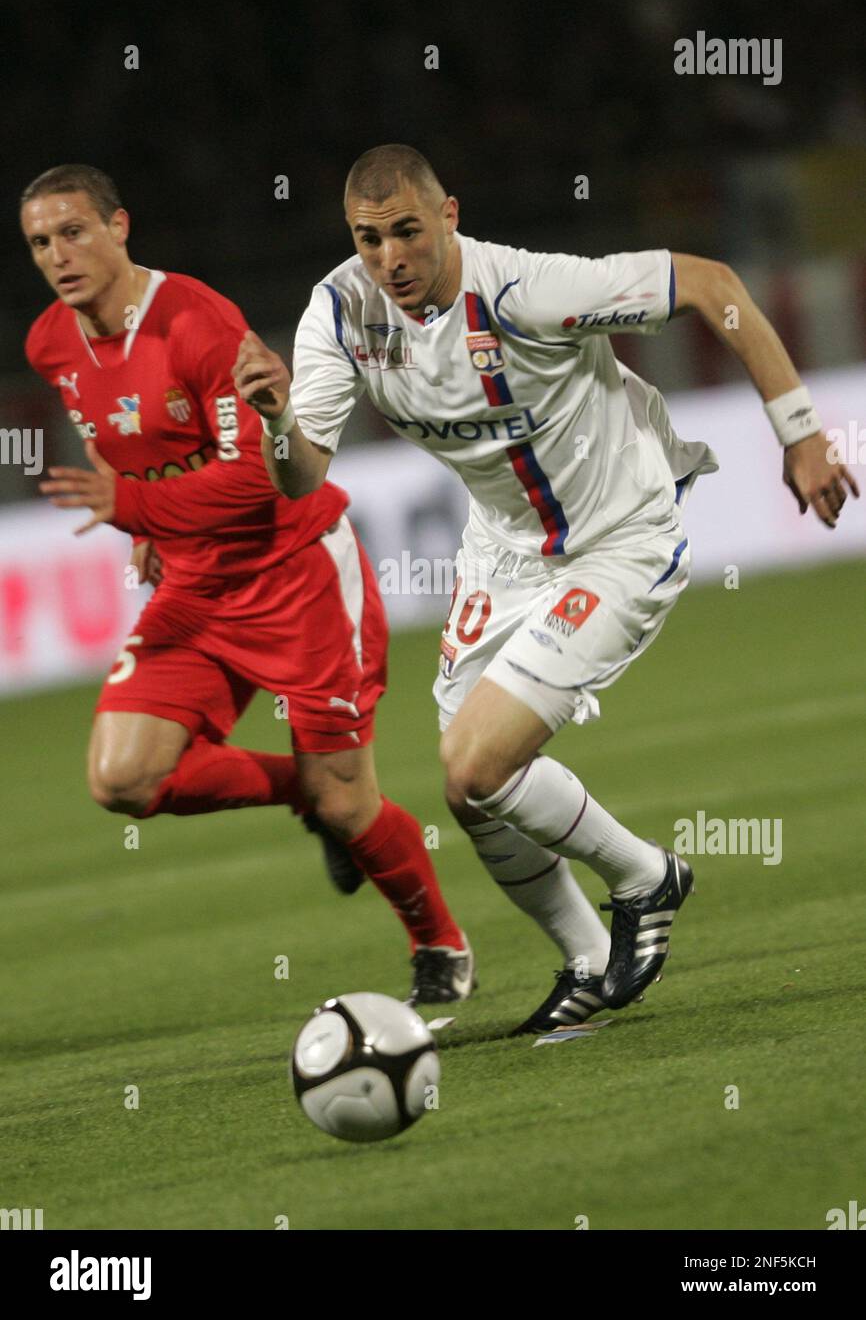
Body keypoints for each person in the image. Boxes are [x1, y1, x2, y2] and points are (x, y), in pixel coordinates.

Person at [233, 144, 860, 1035]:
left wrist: (800, 431)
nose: (390, 259)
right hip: (504, 555)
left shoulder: (529, 292)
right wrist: (276, 419)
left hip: (618, 540)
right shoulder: (339, 313)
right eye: (370, 240)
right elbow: (301, 479)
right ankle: (588, 961)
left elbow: (712, 281)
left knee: (476, 763)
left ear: (449, 215)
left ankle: (648, 877)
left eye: (408, 231)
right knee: (470, 790)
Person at [23, 162, 474, 1004]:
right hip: (195, 590)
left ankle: (440, 945)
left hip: (295, 577)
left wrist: (137, 503)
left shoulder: (196, 322)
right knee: (123, 781)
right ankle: (306, 794)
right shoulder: (50, 342)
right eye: (41, 242)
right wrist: (147, 522)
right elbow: (111, 436)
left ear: (120, 228)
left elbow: (259, 477)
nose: (58, 254)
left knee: (352, 805)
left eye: (74, 232)